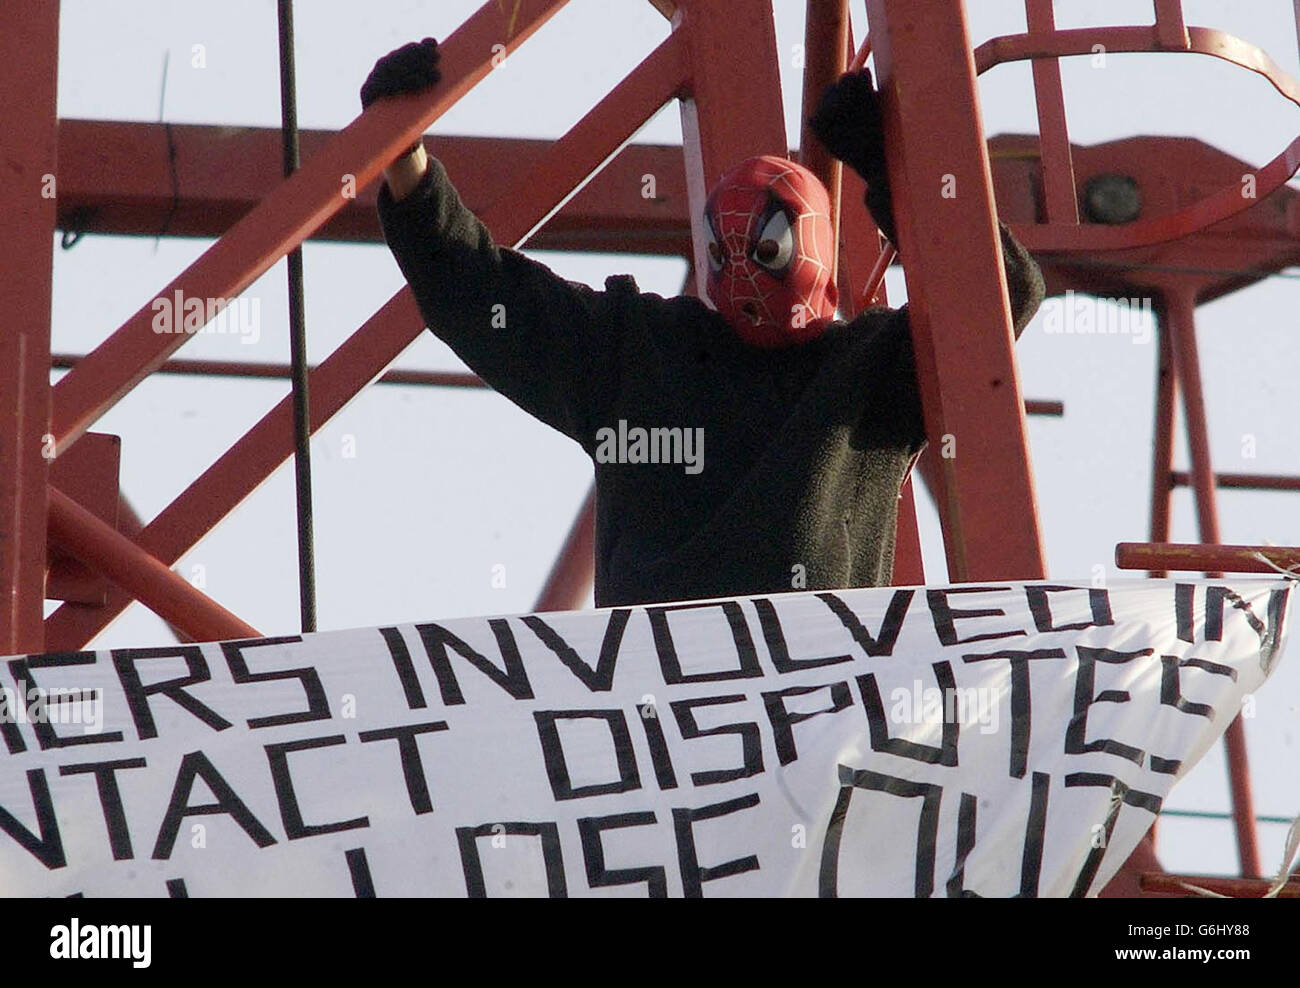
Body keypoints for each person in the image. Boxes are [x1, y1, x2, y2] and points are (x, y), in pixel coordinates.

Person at [362, 38, 1045, 608]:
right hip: (776, 731)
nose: (750, 269)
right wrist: (404, 159)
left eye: (765, 247)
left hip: (684, 730)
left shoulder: (644, 356)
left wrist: (404, 159)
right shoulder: (857, 375)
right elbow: (479, 295)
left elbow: (480, 298)